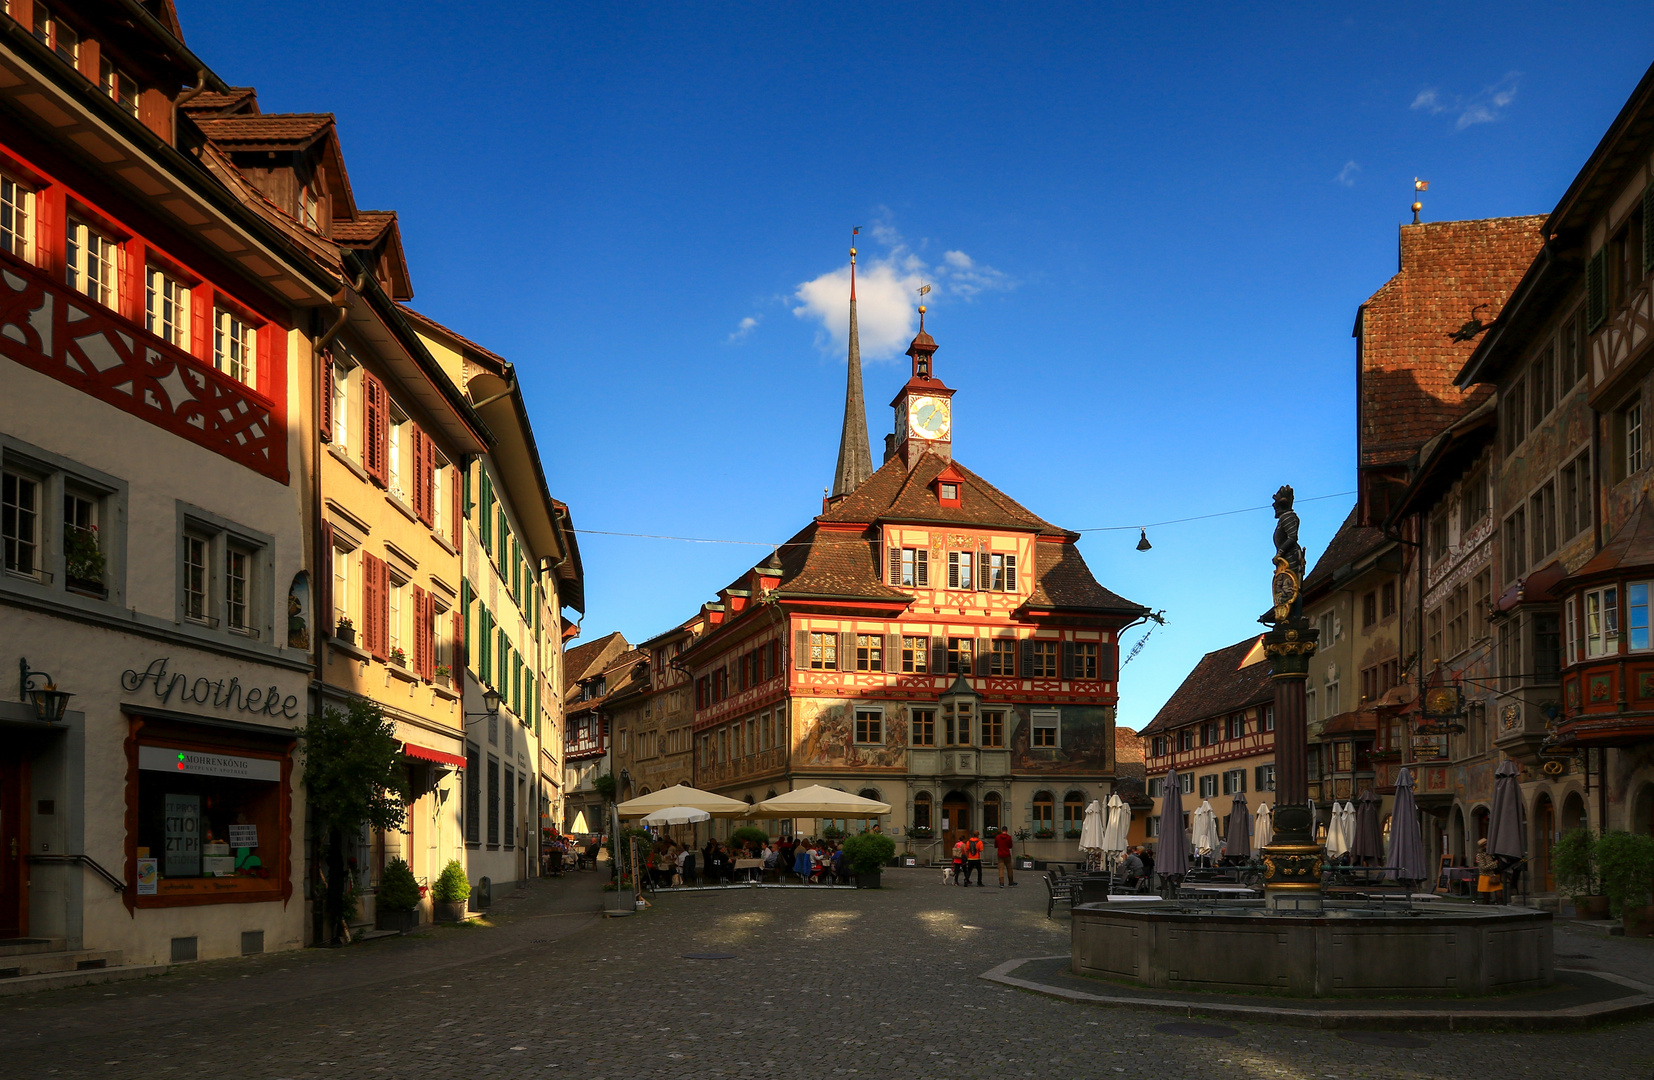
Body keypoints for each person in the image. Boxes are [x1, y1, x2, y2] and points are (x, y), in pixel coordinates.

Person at [1475, 838, 1503, 905]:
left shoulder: (1494, 853)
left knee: (1499, 896)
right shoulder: (1480, 855)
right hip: (1485, 877)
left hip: (1495, 876)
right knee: (1486, 898)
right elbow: (1483, 867)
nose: (1487, 846)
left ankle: (1501, 910)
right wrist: (1495, 864)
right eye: (1485, 845)